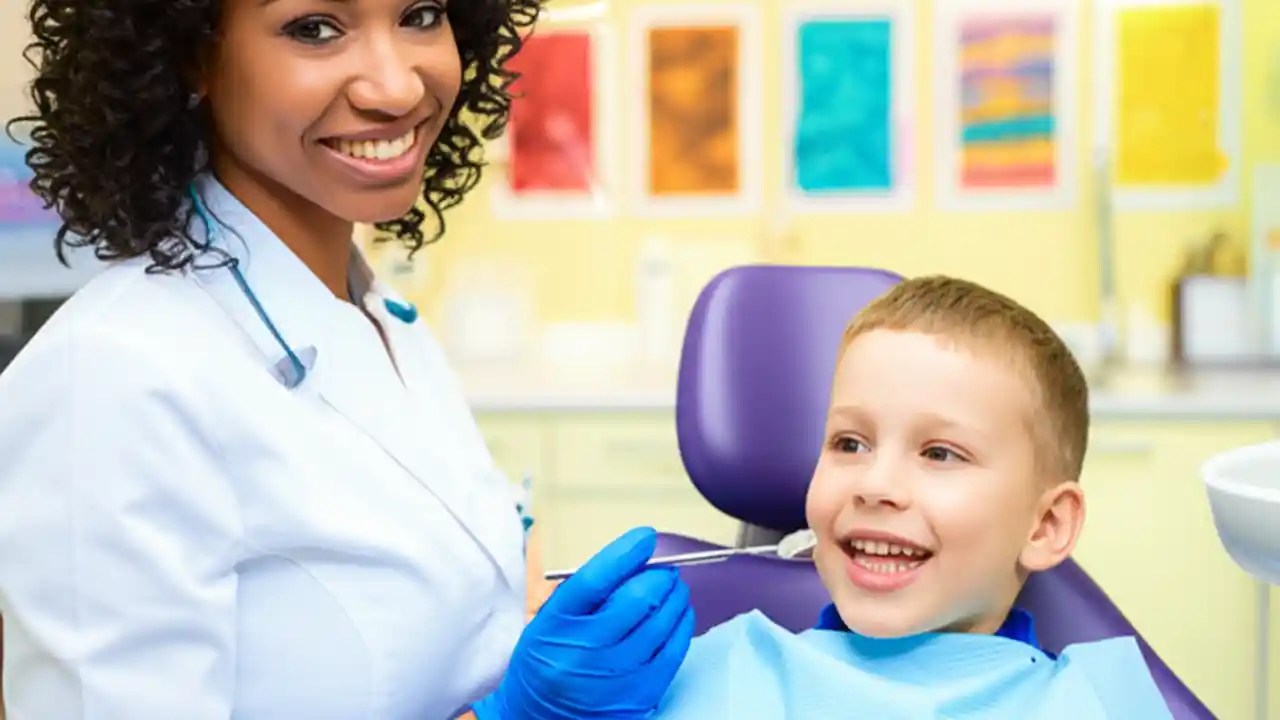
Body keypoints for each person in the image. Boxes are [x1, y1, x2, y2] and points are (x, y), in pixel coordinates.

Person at [0, 0, 692, 718]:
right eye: (314, 29)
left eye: (420, 14)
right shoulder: (110, 377)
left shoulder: (379, 317)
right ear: (191, 55)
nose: (396, 87)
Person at [654, 276, 1173, 719]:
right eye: (850, 444)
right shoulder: (716, 674)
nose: (875, 485)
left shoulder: (1098, 702)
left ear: (1045, 526)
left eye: (940, 453)